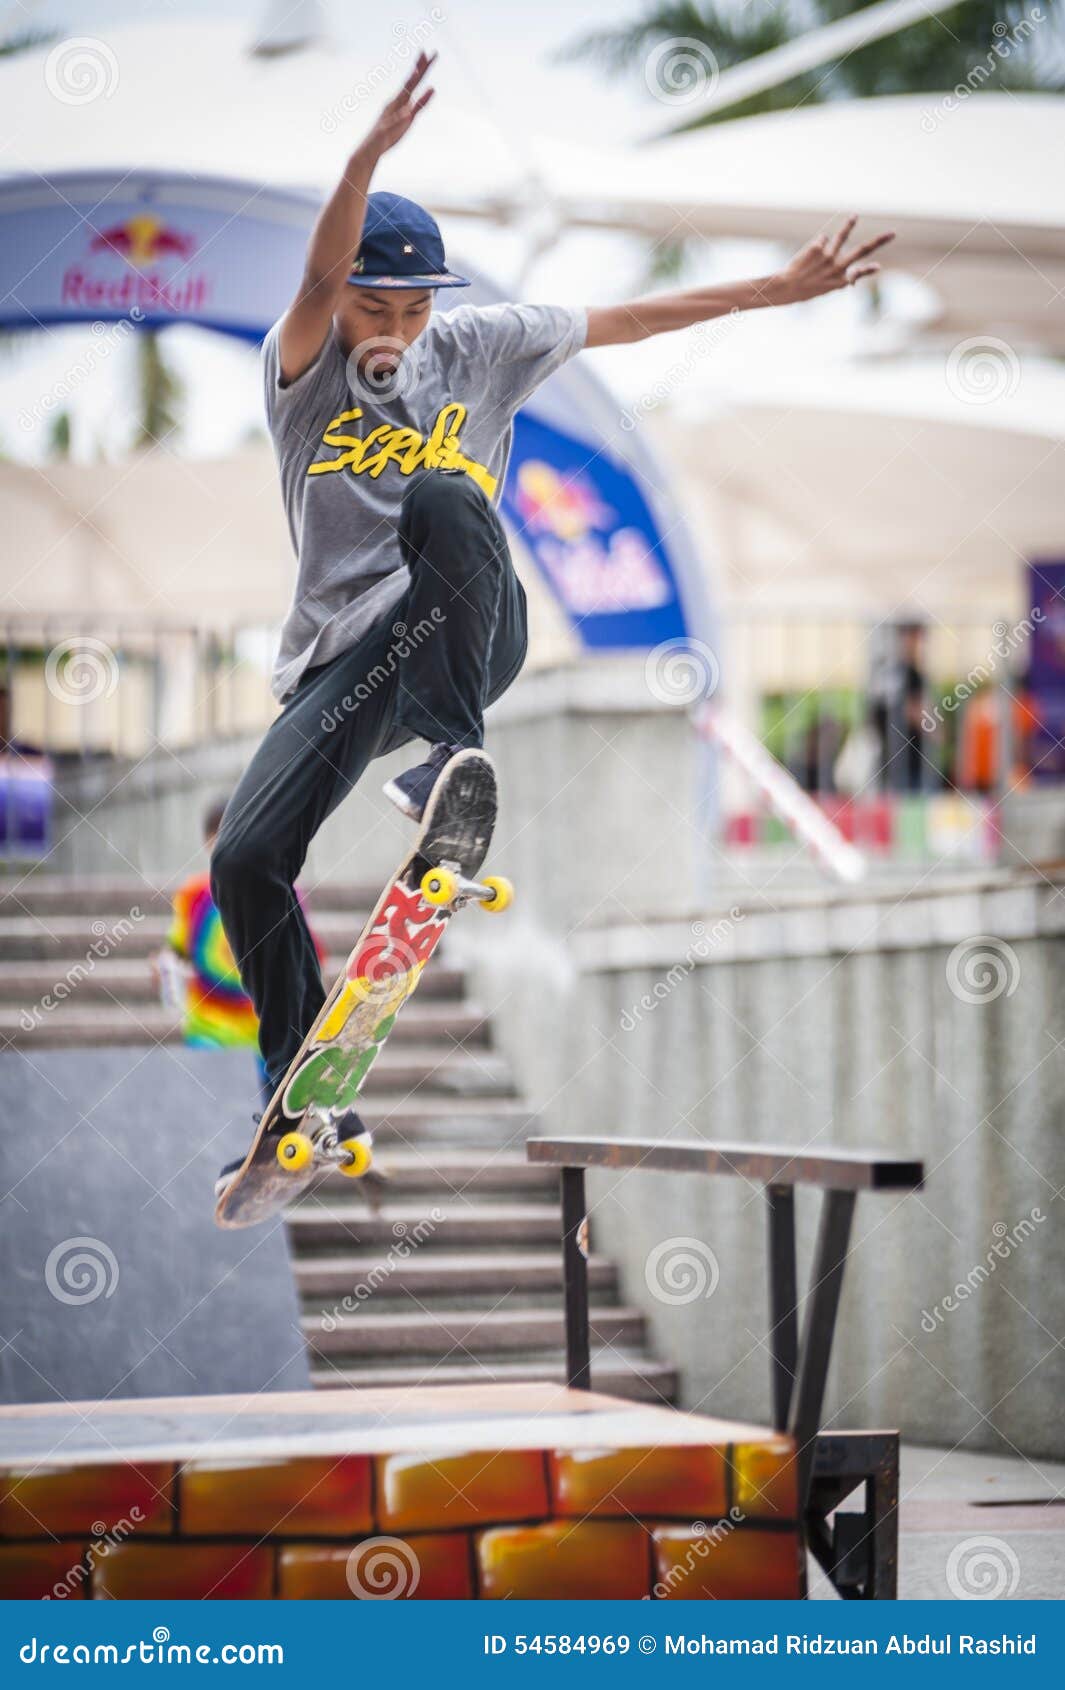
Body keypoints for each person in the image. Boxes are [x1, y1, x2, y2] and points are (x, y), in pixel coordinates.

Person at [210, 51, 894, 1179]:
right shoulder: (304, 372)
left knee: (448, 493)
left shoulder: (484, 345)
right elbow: (323, 269)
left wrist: (773, 290)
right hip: (346, 663)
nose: (389, 328)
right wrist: (363, 159)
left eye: (410, 309)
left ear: (438, 305)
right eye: (368, 309)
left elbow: (627, 316)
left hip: (477, 629)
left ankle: (449, 761)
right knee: (245, 856)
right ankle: (296, 1098)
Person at [159, 798, 324, 1112]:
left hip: (265, 1031)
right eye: (221, 835)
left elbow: (305, 952)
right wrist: (166, 964)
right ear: (207, 842)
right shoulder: (193, 895)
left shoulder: (284, 891)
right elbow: (178, 948)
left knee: (266, 1113)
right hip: (209, 1029)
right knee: (216, 1113)